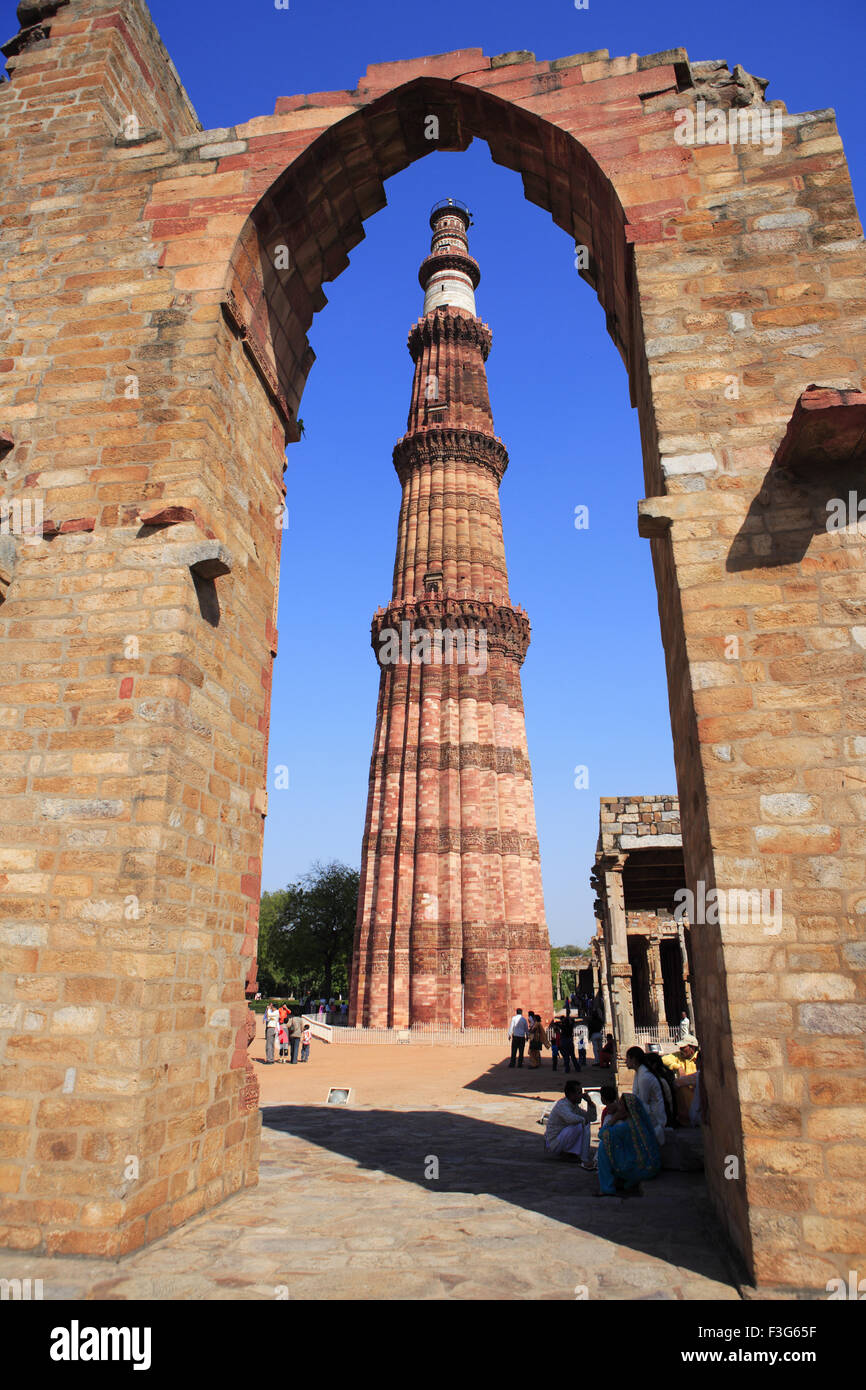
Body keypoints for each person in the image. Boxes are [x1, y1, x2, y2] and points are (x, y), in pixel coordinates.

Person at [596, 1092, 661, 1197]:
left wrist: (614, 1118)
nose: (618, 1106)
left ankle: (606, 1188)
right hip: (649, 1166)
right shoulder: (639, 1123)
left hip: (638, 1168)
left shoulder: (626, 1126)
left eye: (621, 1104)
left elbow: (602, 1134)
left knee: (603, 1146)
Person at [543, 1081, 596, 1170]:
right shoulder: (562, 1105)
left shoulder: (574, 1106)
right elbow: (571, 1118)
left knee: (583, 1122)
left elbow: (591, 1118)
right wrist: (584, 1120)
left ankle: (579, 1155)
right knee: (580, 1124)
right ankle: (581, 1157)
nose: (581, 1095)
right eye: (579, 1093)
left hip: (561, 1138)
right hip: (554, 1142)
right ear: (571, 1094)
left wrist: (590, 1103)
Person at [626, 1046, 667, 1146]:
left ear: (634, 1059)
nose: (626, 1061)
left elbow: (641, 1102)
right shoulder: (640, 1073)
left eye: (628, 1058)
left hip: (656, 1119)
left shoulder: (645, 1076)